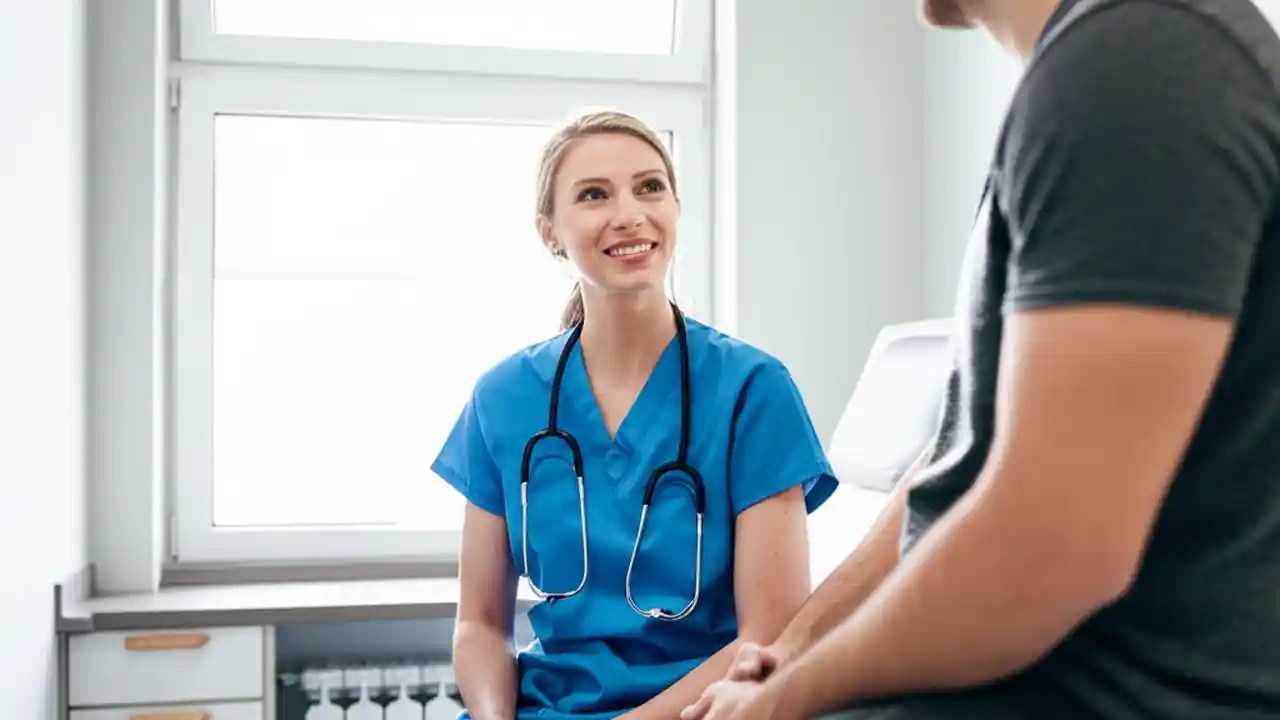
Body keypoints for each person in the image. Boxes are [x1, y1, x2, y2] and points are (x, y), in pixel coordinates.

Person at [682, 0, 1280, 718]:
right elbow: (955, 462)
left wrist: (784, 702)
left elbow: (1052, 550)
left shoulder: (1138, 60)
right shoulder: (1081, 79)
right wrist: (793, 650)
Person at [432, 110, 839, 720]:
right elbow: (482, 626)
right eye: (594, 195)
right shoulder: (503, 397)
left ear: (676, 206)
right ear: (550, 232)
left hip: (705, 709)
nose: (629, 212)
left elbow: (768, 633)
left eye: (650, 187)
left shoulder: (752, 389)